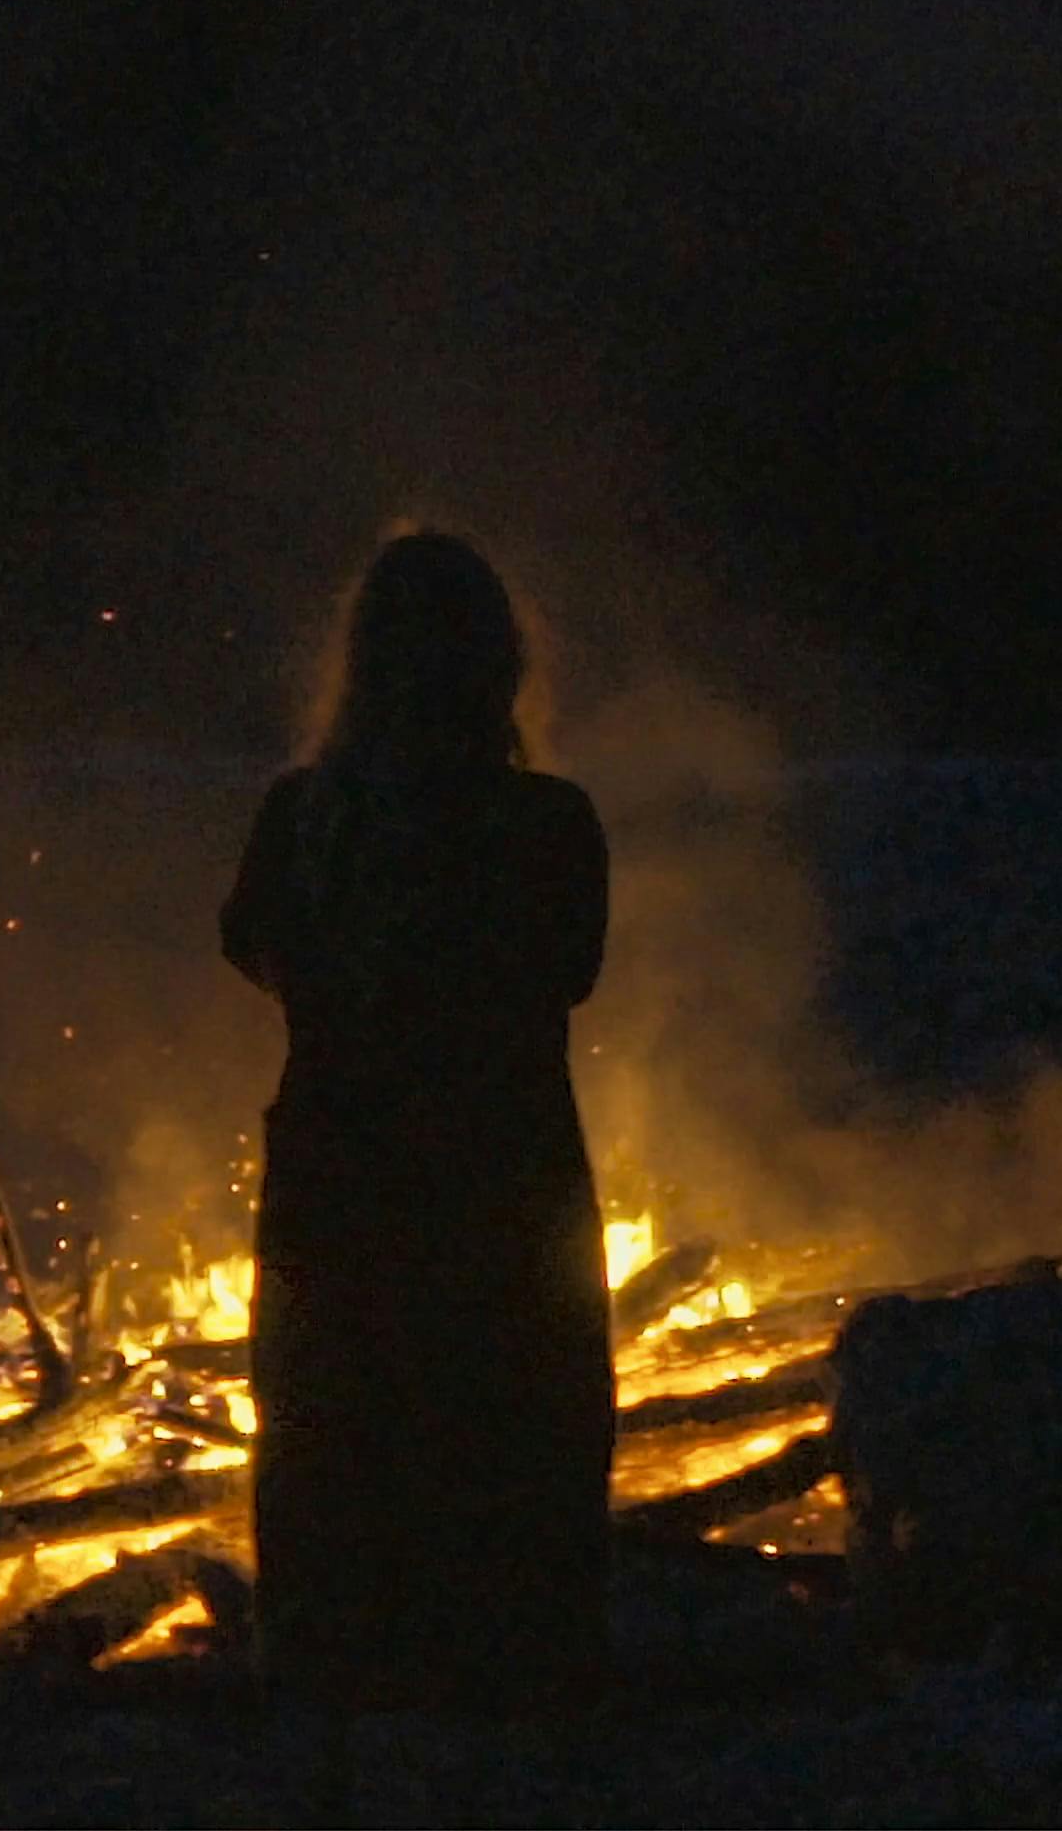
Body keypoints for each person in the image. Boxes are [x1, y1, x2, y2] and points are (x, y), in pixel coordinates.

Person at [219, 528, 614, 1717]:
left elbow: (252, 942)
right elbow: (572, 966)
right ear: (500, 666)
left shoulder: (307, 817)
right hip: (506, 1185)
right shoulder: (547, 824)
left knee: (339, 1433)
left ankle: (337, 1676)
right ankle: (512, 1678)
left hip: (342, 1185)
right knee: (514, 1433)